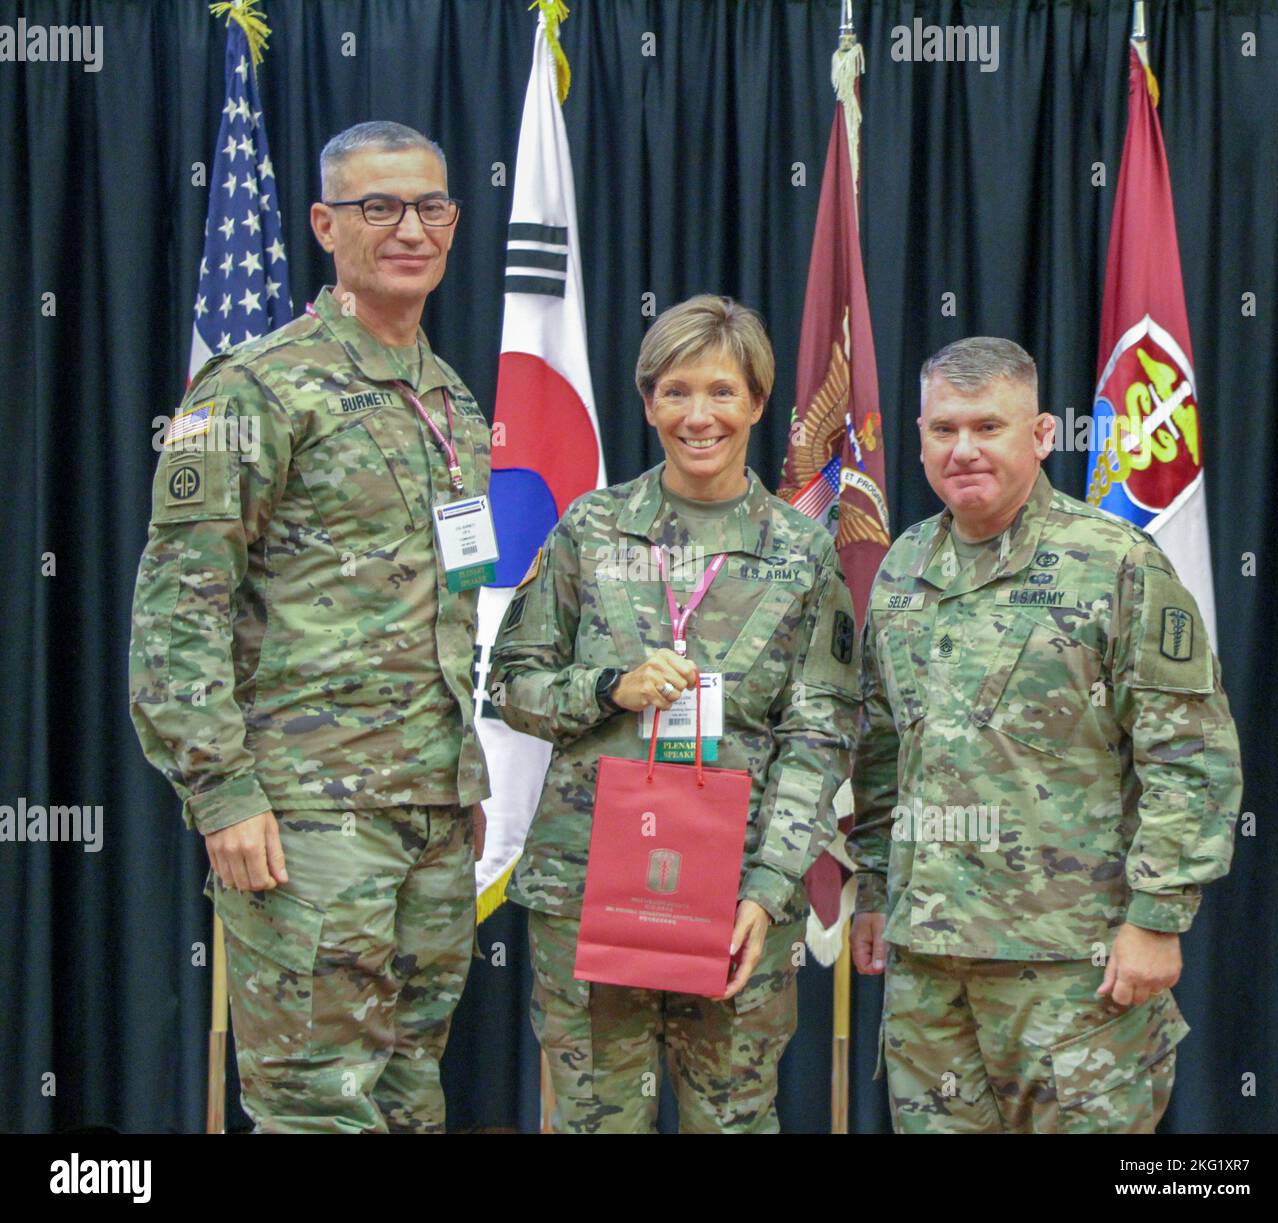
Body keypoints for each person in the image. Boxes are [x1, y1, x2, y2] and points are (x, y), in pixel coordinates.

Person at [128, 121, 492, 1133]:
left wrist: (459, 776)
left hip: (430, 804)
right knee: (316, 1103)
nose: (409, 228)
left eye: (431, 205)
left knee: (410, 1093)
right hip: (305, 818)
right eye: (379, 207)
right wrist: (222, 791)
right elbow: (176, 603)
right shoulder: (254, 388)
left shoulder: (451, 401)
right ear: (328, 224)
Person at [848, 336, 1242, 1133]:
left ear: (1041, 435)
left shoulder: (1115, 564)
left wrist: (1158, 917)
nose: (963, 450)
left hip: (1074, 966)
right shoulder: (902, 566)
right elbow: (884, 745)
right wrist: (876, 890)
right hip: (930, 970)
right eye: (943, 429)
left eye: (988, 427)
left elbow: (1190, 755)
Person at [489, 295, 860, 1133]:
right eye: (677, 391)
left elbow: (820, 737)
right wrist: (606, 687)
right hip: (590, 889)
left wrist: (766, 893)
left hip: (735, 898)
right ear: (648, 400)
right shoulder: (591, 528)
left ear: (760, 403)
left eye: (723, 392)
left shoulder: (803, 552)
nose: (700, 416)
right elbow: (510, 685)